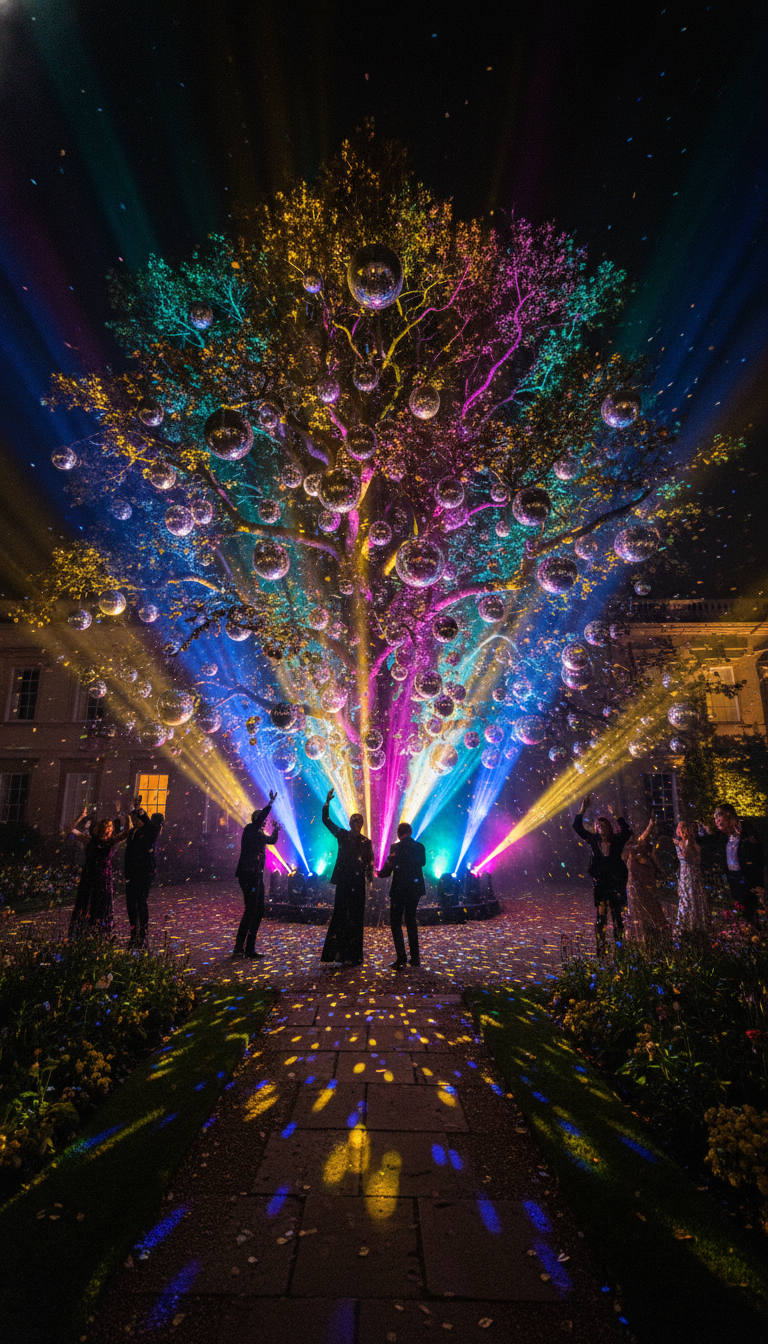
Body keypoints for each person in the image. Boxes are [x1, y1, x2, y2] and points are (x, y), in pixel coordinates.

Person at [572, 793, 632, 955]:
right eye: (598, 826)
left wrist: (617, 815)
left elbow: (627, 831)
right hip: (600, 884)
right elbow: (577, 827)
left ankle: (621, 947)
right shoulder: (593, 840)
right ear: (596, 828)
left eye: (603, 826)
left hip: (615, 882)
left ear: (608, 827)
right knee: (601, 916)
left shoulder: (617, 840)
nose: (601, 828)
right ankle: (602, 947)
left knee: (617, 915)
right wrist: (583, 809)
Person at [320, 789, 374, 966]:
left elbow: (369, 862)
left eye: (358, 822)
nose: (356, 824)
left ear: (362, 824)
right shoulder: (343, 835)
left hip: (356, 883)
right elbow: (326, 821)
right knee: (342, 915)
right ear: (351, 823)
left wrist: (370, 881)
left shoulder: (366, 842)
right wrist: (327, 803)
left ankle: (353, 955)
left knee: (356, 917)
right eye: (354, 822)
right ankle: (340, 954)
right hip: (345, 881)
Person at [68, 798, 130, 939]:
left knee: (90, 901)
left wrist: (80, 817)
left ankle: (88, 928)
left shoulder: (92, 840)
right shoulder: (100, 841)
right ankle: (97, 929)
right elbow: (127, 832)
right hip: (101, 875)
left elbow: (70, 830)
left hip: (93, 874)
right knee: (96, 902)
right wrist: (128, 816)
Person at [697, 802, 765, 928]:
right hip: (733, 878)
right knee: (741, 910)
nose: (717, 821)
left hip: (749, 877)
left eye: (719, 817)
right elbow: (705, 840)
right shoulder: (722, 836)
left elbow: (757, 851)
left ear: (729, 816)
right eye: (715, 818)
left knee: (754, 908)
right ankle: (749, 933)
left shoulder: (746, 831)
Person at [232, 790, 280, 958]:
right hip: (248, 875)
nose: (265, 823)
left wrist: (276, 830)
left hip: (255, 875)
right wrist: (270, 803)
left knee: (257, 910)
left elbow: (271, 841)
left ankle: (247, 947)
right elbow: (264, 828)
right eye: (263, 820)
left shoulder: (258, 833)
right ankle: (241, 947)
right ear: (257, 820)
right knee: (252, 909)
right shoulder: (250, 829)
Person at [378, 822, 427, 969]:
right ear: (410, 832)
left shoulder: (395, 847)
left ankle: (401, 957)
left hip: (399, 889)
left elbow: (389, 868)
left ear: (399, 834)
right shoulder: (420, 847)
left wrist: (377, 873)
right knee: (411, 920)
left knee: (395, 922)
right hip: (415, 888)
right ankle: (415, 958)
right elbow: (422, 863)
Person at [123, 796, 164, 948]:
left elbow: (152, 827)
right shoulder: (132, 833)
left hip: (144, 871)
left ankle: (142, 934)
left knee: (141, 902)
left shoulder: (150, 832)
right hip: (132, 872)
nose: (135, 821)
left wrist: (141, 812)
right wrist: (126, 873)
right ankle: (134, 931)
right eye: (134, 819)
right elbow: (128, 854)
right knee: (130, 904)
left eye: (137, 819)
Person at [625, 816, 669, 945]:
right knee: (642, 913)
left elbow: (655, 866)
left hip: (646, 887)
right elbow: (641, 841)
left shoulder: (646, 853)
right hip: (636, 888)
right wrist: (650, 826)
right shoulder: (632, 853)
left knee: (651, 911)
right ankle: (645, 938)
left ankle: (656, 937)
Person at [673, 819, 710, 934]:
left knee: (692, 897)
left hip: (691, 873)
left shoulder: (688, 843)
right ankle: (688, 924)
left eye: (680, 828)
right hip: (684, 874)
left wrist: (681, 844)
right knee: (686, 897)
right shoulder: (682, 842)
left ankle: (693, 925)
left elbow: (688, 857)